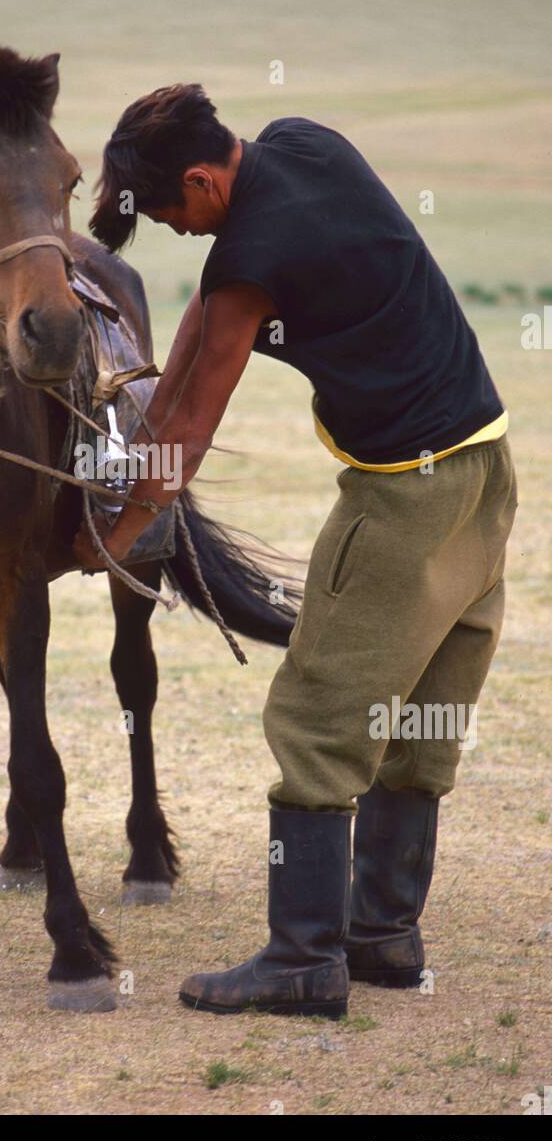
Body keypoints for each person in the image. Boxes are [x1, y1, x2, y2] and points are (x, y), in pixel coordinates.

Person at [72, 86, 518, 1018]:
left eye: (170, 214)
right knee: (423, 713)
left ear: (201, 179)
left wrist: (109, 538)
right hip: (484, 470)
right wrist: (144, 423)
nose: (177, 232)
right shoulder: (302, 145)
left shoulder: (252, 258)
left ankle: (303, 959)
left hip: (402, 500)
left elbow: (191, 433)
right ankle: (384, 934)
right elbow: (201, 314)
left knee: (317, 720)